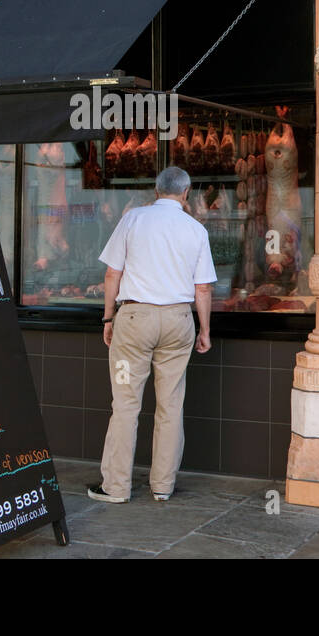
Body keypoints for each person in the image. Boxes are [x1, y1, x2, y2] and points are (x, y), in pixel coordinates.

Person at [88, 165, 214, 503]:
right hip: (177, 322)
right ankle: (162, 487)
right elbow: (202, 289)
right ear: (186, 194)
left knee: (126, 403)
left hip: (134, 322)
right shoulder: (195, 229)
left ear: (156, 191)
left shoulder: (133, 219)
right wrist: (205, 330)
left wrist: (108, 317)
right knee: (171, 404)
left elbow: (112, 274)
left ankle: (115, 487)